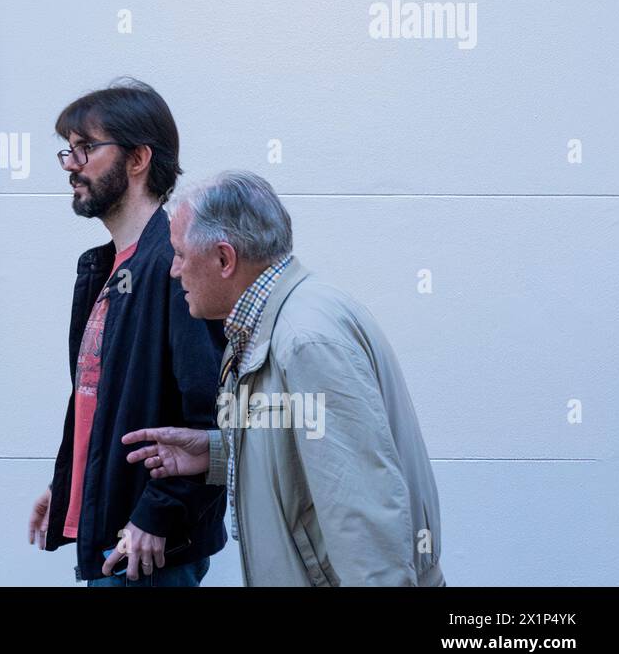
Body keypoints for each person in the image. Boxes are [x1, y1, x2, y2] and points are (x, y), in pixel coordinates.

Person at [124, 170, 445, 586]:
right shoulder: (285, 321)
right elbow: (306, 449)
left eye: (181, 254)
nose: (174, 270)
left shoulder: (305, 340)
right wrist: (219, 452)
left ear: (224, 259)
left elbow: (361, 507)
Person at [28, 79, 227, 586]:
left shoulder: (175, 266)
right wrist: (70, 484)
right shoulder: (106, 268)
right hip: (114, 532)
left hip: (148, 549)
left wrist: (158, 515)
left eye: (86, 148)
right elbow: (96, 400)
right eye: (68, 150)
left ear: (138, 159)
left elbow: (210, 416)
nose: (72, 164)